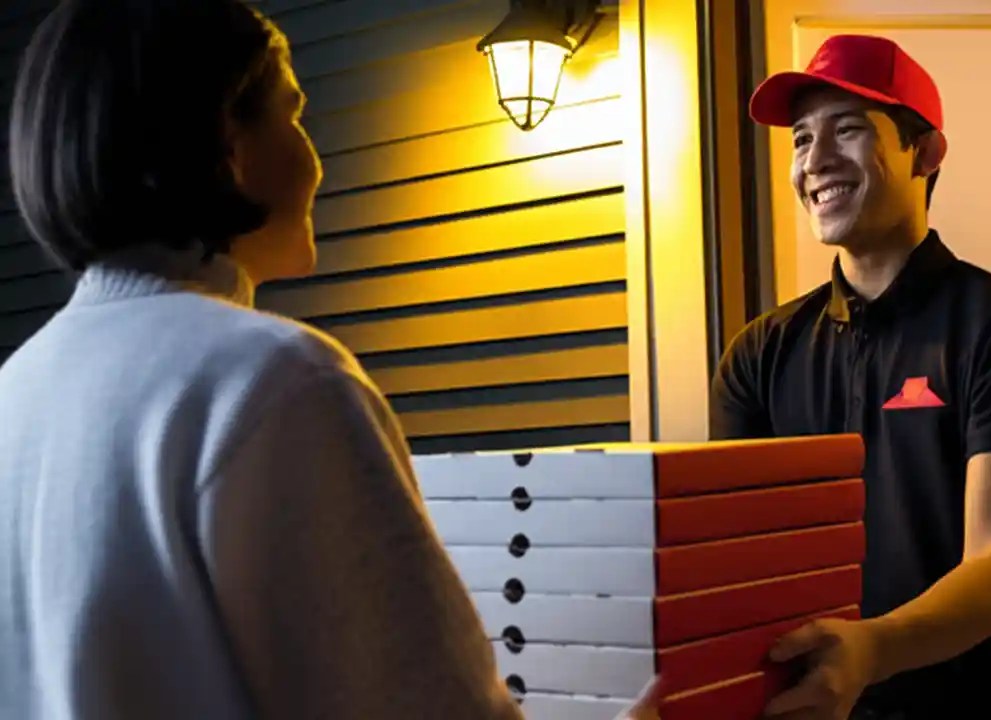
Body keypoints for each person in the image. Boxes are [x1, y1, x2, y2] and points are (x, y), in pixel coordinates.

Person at [0, 2, 657, 718]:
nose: (317, 158)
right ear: (229, 137)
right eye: (294, 115)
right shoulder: (276, 381)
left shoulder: (15, 392)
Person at [711, 35, 991, 719]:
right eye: (800, 139)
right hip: (812, 703)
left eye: (846, 130)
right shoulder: (758, 355)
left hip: (987, 706)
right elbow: (747, 558)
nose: (815, 161)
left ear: (926, 151)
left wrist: (870, 651)